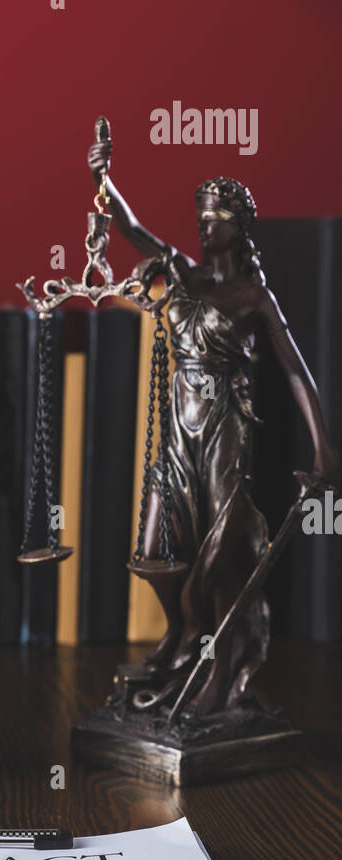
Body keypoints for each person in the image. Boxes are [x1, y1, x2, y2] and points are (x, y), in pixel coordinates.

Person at [88, 131, 338, 713]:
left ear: (239, 225)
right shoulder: (181, 272)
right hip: (178, 425)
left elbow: (296, 370)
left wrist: (323, 443)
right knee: (155, 547)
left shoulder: (254, 296)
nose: (204, 226)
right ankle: (182, 629)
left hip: (226, 427)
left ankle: (221, 668)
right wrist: (103, 179)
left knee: (223, 554)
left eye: (216, 217)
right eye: (200, 217)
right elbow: (128, 226)